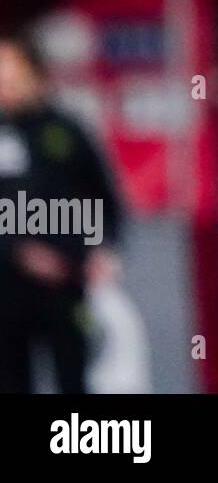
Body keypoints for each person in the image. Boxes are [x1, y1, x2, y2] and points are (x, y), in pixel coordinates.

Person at [0, 31, 125, 394]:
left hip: (66, 285)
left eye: (10, 67)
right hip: (6, 288)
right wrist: (17, 250)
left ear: (34, 71)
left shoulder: (66, 130)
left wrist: (101, 249)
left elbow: (103, 200)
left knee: (73, 379)